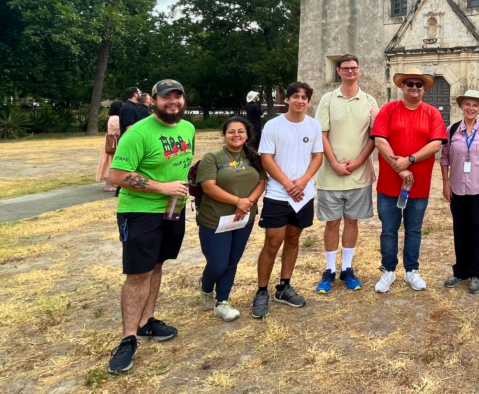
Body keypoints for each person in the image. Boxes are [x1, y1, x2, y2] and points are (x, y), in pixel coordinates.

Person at [107, 79, 195, 375]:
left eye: (178, 97)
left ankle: (147, 322)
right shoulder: (138, 132)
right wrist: (162, 186)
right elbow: (117, 175)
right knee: (138, 274)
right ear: (153, 101)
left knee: (157, 266)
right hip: (139, 211)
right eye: (166, 97)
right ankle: (128, 338)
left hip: (173, 210)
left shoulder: (188, 129)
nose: (173, 102)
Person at [371, 68, 448, 293]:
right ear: (402, 87)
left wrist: (410, 160)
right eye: (410, 84)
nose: (414, 87)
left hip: (419, 184)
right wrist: (400, 168)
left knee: (414, 230)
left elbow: (436, 144)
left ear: (424, 88)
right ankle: (388, 270)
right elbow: (380, 141)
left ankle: (411, 270)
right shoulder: (388, 109)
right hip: (389, 184)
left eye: (419, 84)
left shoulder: (432, 113)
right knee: (388, 229)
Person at [251, 82, 324, 317]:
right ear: (288, 100)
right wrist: (288, 183)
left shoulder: (313, 125)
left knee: (293, 240)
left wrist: (302, 181)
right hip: (278, 193)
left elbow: (317, 156)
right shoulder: (273, 125)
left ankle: (284, 286)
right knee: (273, 242)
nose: (300, 101)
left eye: (304, 97)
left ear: (308, 101)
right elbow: (267, 159)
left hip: (303, 193)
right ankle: (261, 291)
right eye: (296, 97)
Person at [313, 54, 379, 294]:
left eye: (354, 68)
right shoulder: (328, 99)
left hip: (359, 175)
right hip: (330, 175)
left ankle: (347, 268)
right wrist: (334, 163)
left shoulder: (369, 100)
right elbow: (322, 133)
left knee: (352, 221)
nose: (351, 71)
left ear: (359, 70)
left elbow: (375, 135)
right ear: (338, 71)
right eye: (346, 68)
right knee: (332, 223)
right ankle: (329, 270)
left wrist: (360, 161)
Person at [197, 117, 266, 321]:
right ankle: (206, 286)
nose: (236, 135)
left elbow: (261, 181)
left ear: (247, 135)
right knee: (218, 263)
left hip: (244, 219)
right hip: (215, 220)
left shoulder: (254, 157)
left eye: (241, 131)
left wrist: (248, 203)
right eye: (231, 131)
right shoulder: (213, 157)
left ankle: (222, 301)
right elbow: (208, 187)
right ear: (224, 134)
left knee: (232, 261)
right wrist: (238, 201)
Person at [440, 90, 479, 294]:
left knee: (476, 231)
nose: (470, 108)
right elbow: (445, 158)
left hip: (478, 190)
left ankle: (475, 274)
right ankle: (460, 272)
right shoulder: (452, 130)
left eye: (474, 105)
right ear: (461, 107)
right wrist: (446, 184)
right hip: (457, 188)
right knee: (459, 230)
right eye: (467, 105)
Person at [98, 101, 124, 191]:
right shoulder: (116, 118)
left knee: (110, 162)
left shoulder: (112, 117)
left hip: (110, 141)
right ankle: (108, 185)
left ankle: (111, 184)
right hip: (113, 142)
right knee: (110, 163)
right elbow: (119, 131)